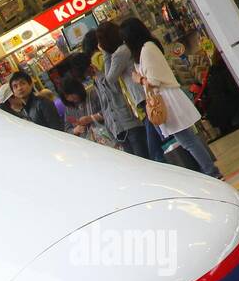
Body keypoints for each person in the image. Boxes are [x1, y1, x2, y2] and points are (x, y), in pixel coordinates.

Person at [122, 17, 223, 177]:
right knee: (187, 139)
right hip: (165, 98)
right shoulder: (144, 50)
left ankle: (211, 171)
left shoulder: (147, 49)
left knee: (187, 140)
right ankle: (209, 170)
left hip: (167, 99)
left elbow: (153, 81)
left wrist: (139, 79)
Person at [96, 21, 151, 159]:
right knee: (154, 136)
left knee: (153, 142)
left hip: (140, 96)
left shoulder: (120, 53)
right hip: (143, 93)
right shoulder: (126, 48)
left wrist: (105, 54)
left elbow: (110, 78)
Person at [87, 43, 148, 156]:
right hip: (124, 121)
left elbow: (111, 81)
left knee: (143, 157)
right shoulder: (97, 81)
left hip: (129, 119)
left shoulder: (114, 57)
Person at [60, 76, 117, 148]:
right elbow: (67, 129)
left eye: (73, 96)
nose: (72, 99)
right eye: (68, 98)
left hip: (106, 140)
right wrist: (75, 130)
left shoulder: (94, 95)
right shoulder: (69, 109)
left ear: (78, 89)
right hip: (86, 146)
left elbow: (110, 112)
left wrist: (91, 118)